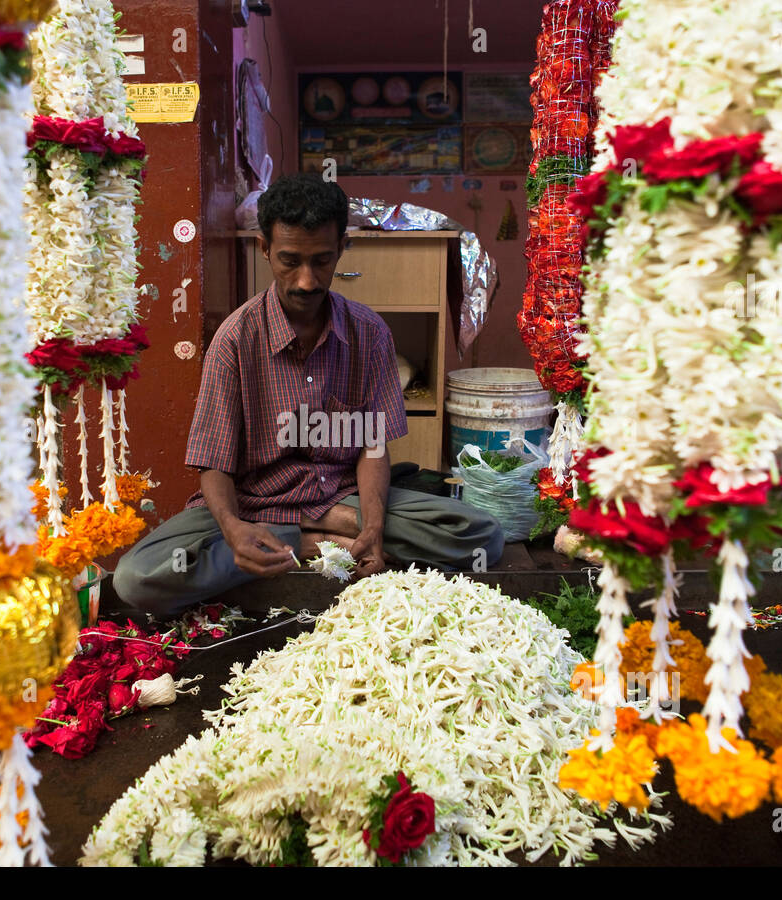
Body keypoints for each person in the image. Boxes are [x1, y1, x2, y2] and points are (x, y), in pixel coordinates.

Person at [113, 174, 503, 617]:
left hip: (342, 499)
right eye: (289, 261)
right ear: (264, 249)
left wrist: (372, 525)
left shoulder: (369, 333)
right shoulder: (235, 339)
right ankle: (308, 540)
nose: (306, 281)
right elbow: (213, 464)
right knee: (136, 577)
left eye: (321, 260)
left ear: (342, 249)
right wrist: (235, 529)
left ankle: (309, 537)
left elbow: (373, 448)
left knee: (480, 535)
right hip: (252, 504)